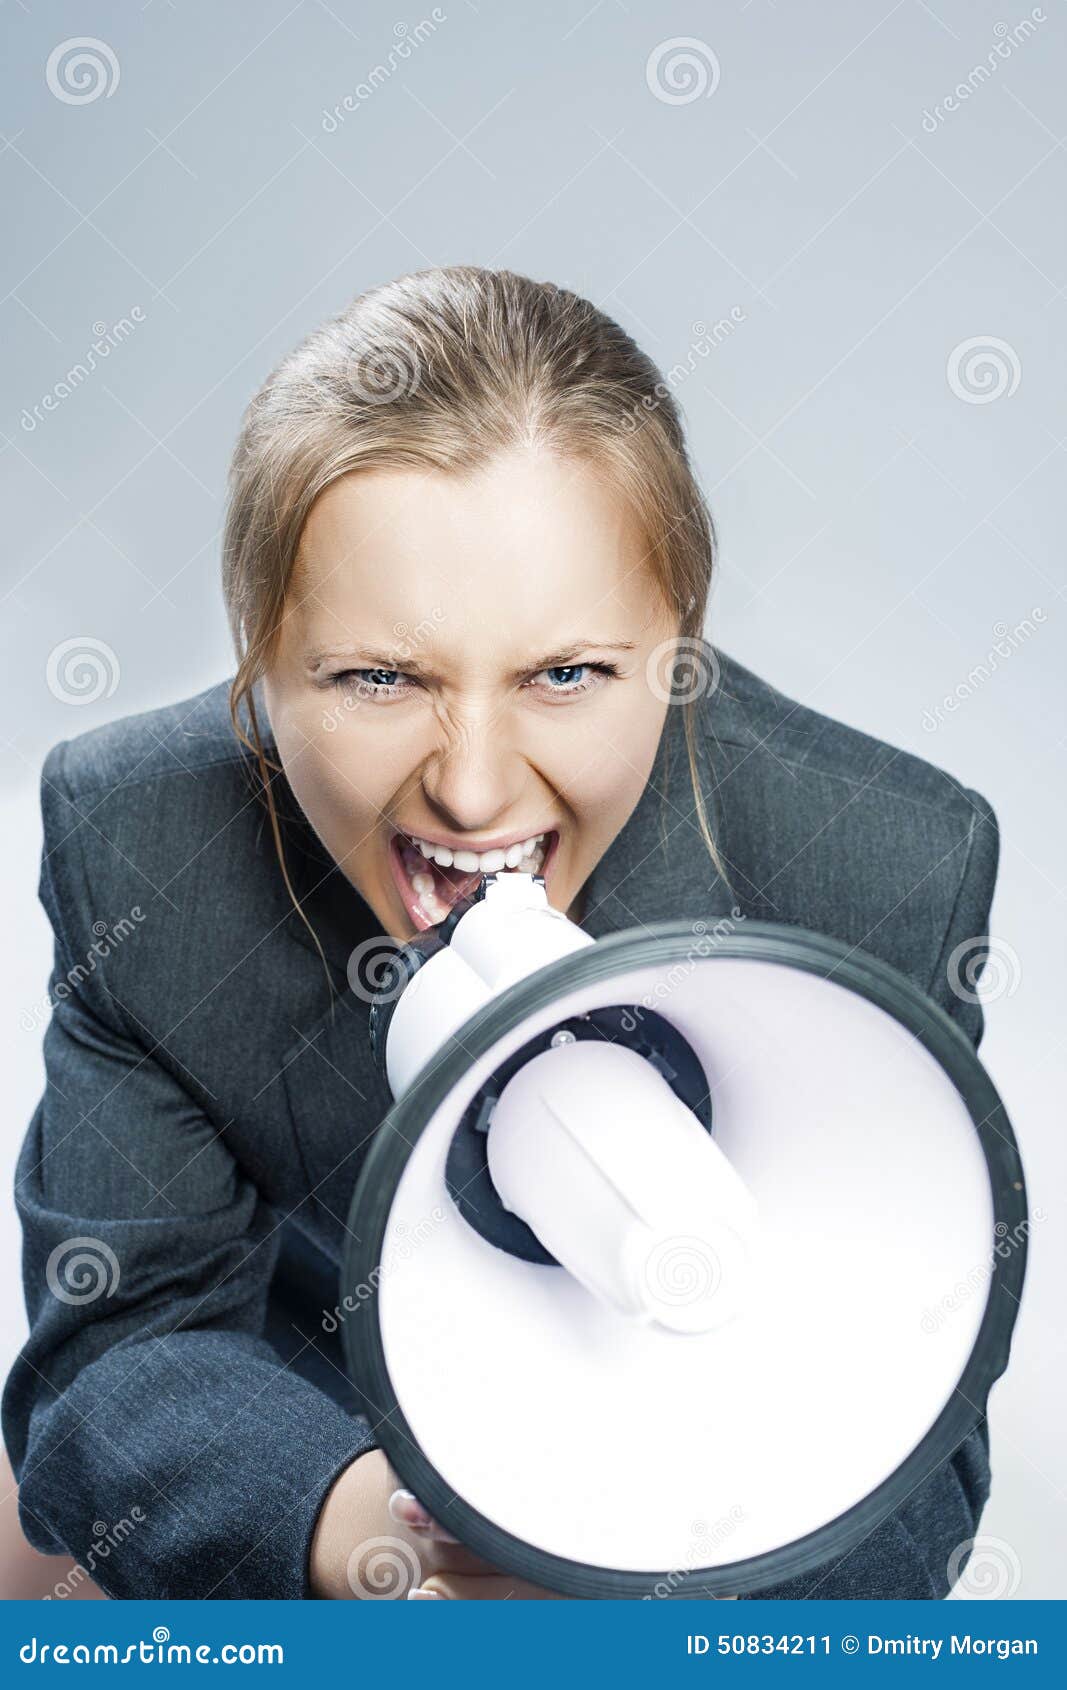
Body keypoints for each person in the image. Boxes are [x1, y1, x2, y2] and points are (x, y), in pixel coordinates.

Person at [2, 267, 1000, 1600]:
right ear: (257, 667)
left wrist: (627, 1572)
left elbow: (915, 1454)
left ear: (681, 650)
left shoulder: (878, 867)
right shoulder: (142, 838)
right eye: (379, 677)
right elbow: (115, 1352)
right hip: (305, 1424)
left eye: (566, 674)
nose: (472, 791)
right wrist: (387, 1538)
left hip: (698, 1468)